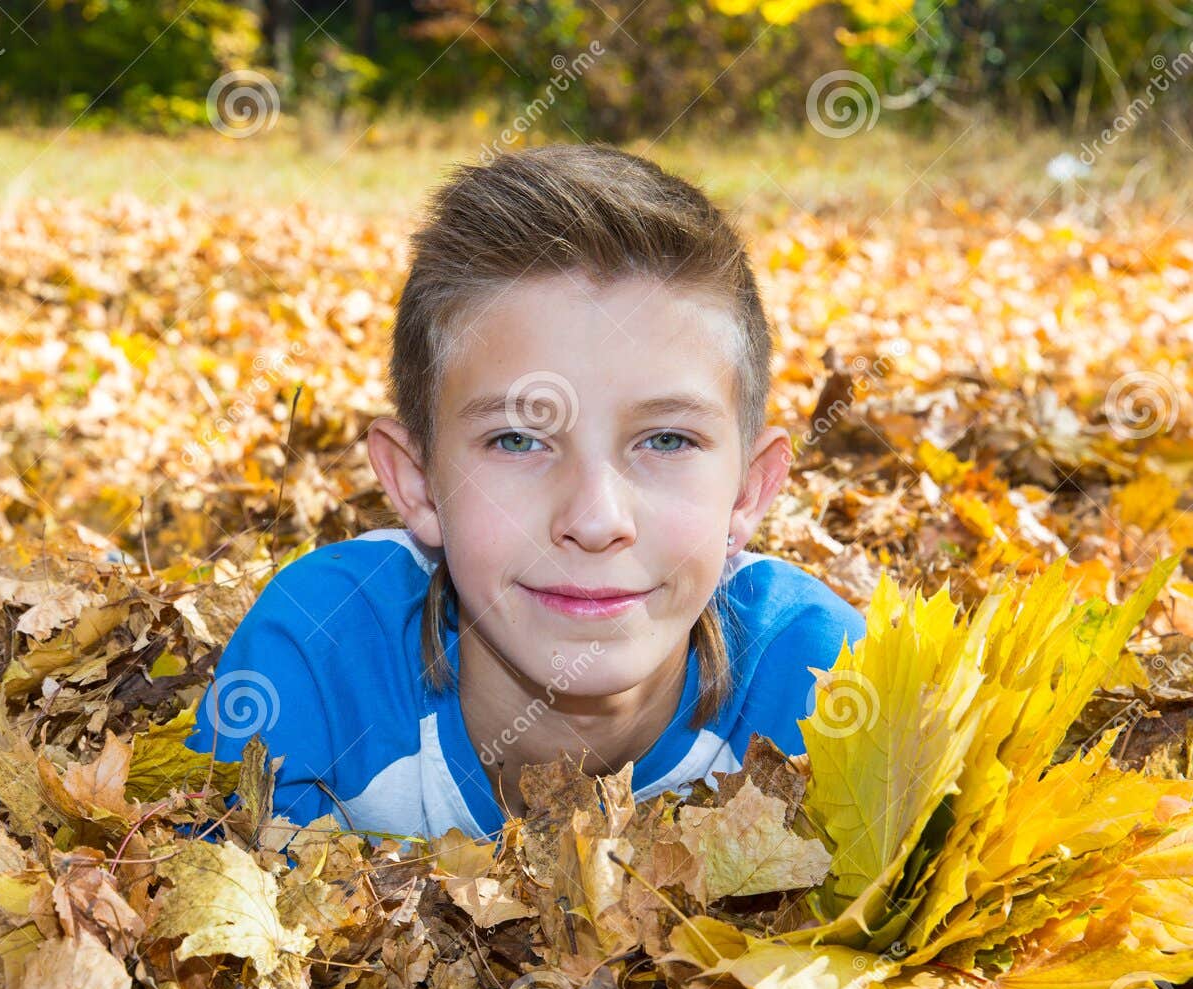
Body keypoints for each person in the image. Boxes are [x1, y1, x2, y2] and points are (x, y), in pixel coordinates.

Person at [183, 142, 865, 850]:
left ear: (749, 490)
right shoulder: (318, 662)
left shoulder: (821, 686)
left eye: (666, 441)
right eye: (518, 440)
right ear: (415, 482)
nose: (596, 519)